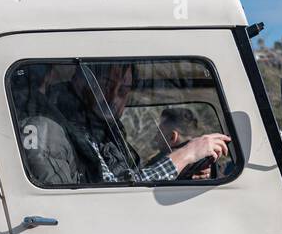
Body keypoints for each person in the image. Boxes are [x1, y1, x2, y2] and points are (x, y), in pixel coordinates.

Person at [17, 62, 229, 186]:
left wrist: (185, 171)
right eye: (106, 84)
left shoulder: (104, 134)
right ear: (80, 80)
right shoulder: (47, 129)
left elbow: (130, 181)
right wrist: (184, 156)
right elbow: (115, 196)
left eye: (122, 90)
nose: (113, 96)